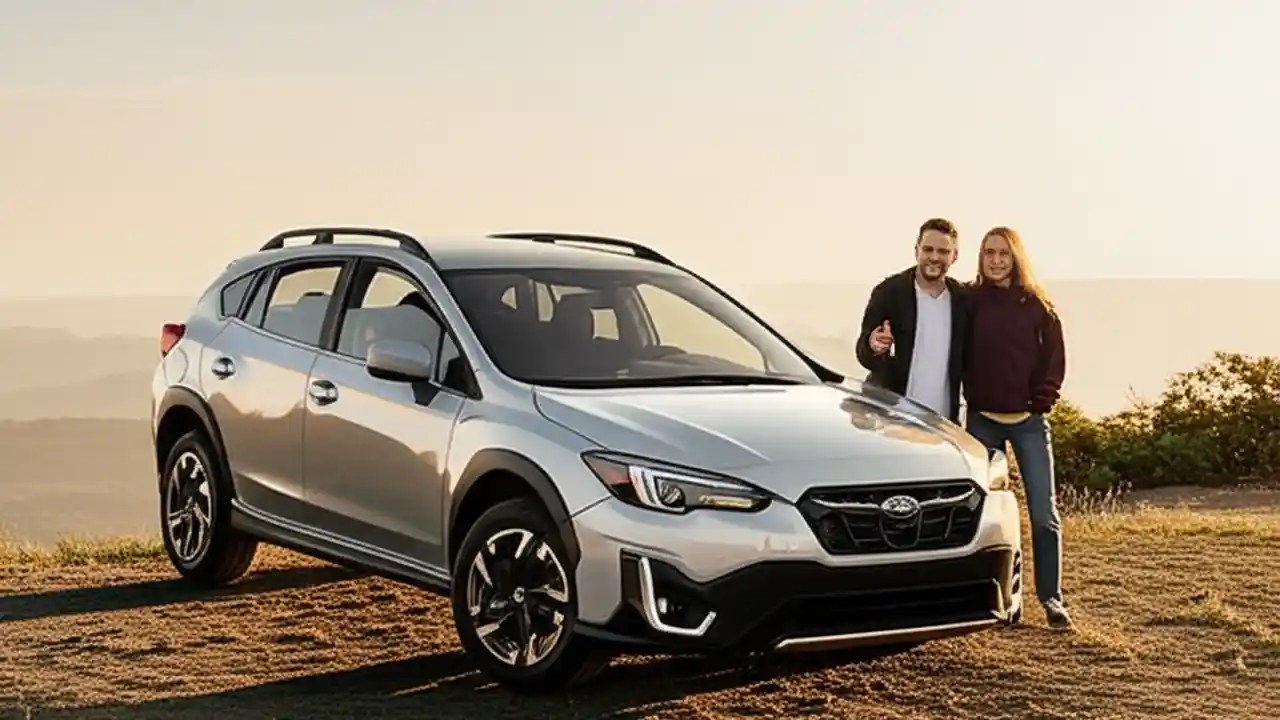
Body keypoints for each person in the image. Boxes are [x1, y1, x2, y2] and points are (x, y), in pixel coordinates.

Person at [961, 226, 1072, 630]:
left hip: (1028, 423)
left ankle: (1052, 599)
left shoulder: (1038, 306)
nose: (995, 260)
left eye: (1003, 254)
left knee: (1044, 515)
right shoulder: (969, 300)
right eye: (989, 253)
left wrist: (1040, 400)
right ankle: (999, 600)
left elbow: (1054, 361)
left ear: (1016, 257)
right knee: (984, 516)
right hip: (981, 422)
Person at [855, 217, 969, 423]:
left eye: (943, 251)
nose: (934, 257)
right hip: (892, 419)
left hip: (943, 424)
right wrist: (873, 345)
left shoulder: (963, 299)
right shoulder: (889, 292)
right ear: (916, 250)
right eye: (928, 249)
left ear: (955, 256)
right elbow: (864, 354)